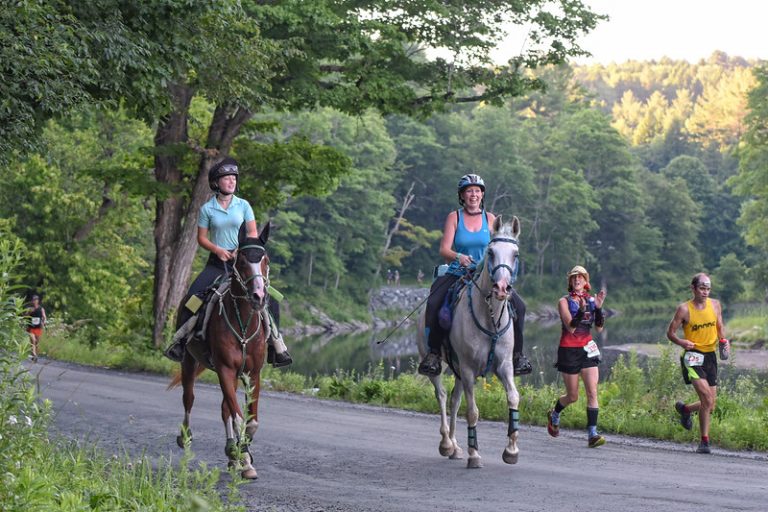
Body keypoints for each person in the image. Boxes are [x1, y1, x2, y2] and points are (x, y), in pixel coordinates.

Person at [164, 157, 292, 367]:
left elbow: (252, 232)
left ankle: (276, 346)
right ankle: (180, 342)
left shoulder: (244, 206)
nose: (232, 182)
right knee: (193, 298)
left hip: (243, 263)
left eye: (234, 178)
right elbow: (202, 238)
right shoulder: (207, 209)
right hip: (217, 263)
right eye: (227, 179)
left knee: (273, 299)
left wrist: (241, 250)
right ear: (216, 183)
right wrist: (219, 250)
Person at [417, 173, 532, 377]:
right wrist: (458, 256)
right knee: (434, 302)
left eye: (477, 191)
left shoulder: (491, 219)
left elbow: (499, 248)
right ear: (462, 195)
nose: (473, 194)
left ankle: (518, 356)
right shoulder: (455, 217)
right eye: (469, 191)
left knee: (520, 307)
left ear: (482, 195)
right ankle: (434, 354)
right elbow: (444, 250)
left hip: (485, 274)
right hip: (459, 271)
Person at [546, 265, 607, 448]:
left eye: (580, 277)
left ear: (586, 281)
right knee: (573, 396)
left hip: (587, 349)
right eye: (574, 278)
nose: (577, 280)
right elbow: (571, 327)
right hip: (568, 350)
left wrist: (598, 309)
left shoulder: (591, 299)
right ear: (570, 282)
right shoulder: (563, 302)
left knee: (592, 392)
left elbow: (599, 328)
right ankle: (555, 414)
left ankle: (592, 434)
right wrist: (581, 311)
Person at [667, 273, 726, 454]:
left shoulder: (715, 305)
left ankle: (685, 409)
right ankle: (704, 442)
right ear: (693, 288)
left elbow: (719, 326)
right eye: (702, 288)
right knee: (706, 399)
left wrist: (724, 342)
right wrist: (682, 342)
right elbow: (670, 333)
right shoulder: (684, 309)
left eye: (708, 289)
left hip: (710, 356)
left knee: (711, 404)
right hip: (692, 357)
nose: (705, 292)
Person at [26, 294, 47, 362]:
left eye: (36, 300)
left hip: (38, 328)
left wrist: (44, 322)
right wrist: (28, 313)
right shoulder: (30, 309)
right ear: (32, 301)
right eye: (33, 300)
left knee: (37, 343)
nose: (34, 301)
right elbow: (25, 316)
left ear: (38, 301)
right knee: (33, 341)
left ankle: (34, 356)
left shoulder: (41, 309)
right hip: (31, 328)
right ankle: (34, 354)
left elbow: (44, 316)